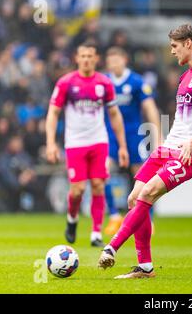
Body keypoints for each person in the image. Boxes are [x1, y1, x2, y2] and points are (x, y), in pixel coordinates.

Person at [97, 24, 192, 278]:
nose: (172, 51)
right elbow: (184, 119)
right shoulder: (186, 75)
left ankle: (111, 248)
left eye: (174, 46)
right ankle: (145, 267)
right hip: (170, 147)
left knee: (148, 192)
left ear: (188, 43)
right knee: (134, 198)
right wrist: (166, 141)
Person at [45, 42, 129, 247]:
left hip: (98, 141)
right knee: (77, 190)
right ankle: (72, 219)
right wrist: (50, 143)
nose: (86, 60)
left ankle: (96, 233)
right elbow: (53, 113)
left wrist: (122, 146)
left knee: (99, 185)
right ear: (77, 58)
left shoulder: (104, 83)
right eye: (83, 56)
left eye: (90, 56)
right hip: (75, 143)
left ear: (96, 59)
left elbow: (114, 114)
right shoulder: (66, 83)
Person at [103, 47, 162, 236]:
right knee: (103, 172)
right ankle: (113, 215)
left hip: (134, 135)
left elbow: (150, 108)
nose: (113, 63)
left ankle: (147, 219)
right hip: (111, 135)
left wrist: (157, 136)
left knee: (142, 177)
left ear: (124, 59)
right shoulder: (104, 83)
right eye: (110, 60)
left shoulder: (136, 81)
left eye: (116, 59)